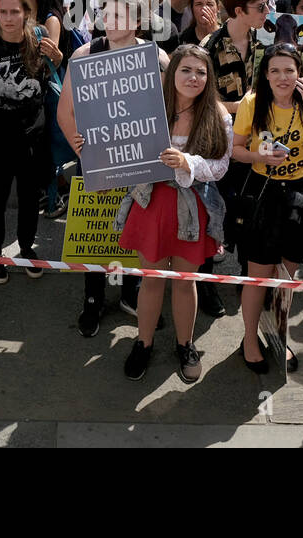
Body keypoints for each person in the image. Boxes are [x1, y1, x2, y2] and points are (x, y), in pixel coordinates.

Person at [113, 45, 232, 383]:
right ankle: (143, 342)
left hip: (192, 206)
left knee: (184, 282)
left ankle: (185, 344)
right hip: (151, 203)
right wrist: (91, 148)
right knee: (151, 281)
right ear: (171, 73)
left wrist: (188, 163)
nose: (193, 77)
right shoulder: (149, 109)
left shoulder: (218, 114)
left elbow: (221, 167)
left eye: (201, 72)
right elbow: (123, 150)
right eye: (186, 70)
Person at [57, 0, 166, 331]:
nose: (112, 20)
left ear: (138, 19)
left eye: (121, 14)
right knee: (97, 230)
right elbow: (65, 112)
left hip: (141, 163)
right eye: (108, 14)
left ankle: (131, 292)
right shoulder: (84, 55)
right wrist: (83, 152)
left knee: (136, 229)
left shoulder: (157, 59)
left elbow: (166, 111)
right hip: (98, 162)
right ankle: (93, 297)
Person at [231, 42, 303, 373]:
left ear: (299, 73)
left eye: (289, 70)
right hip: (263, 194)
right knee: (258, 275)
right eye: (274, 70)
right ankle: (250, 339)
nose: (282, 77)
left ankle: (277, 334)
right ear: (265, 74)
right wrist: (259, 156)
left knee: (288, 274)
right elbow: (235, 149)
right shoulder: (252, 103)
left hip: (300, 193)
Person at [0, 0, 62, 284]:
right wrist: (3, 100)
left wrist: (57, 56)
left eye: (15, 11)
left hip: (33, 134)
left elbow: (55, 72)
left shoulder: (39, 43)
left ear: (26, 13)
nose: (9, 18)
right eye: (3, 12)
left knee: (29, 196)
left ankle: (26, 248)